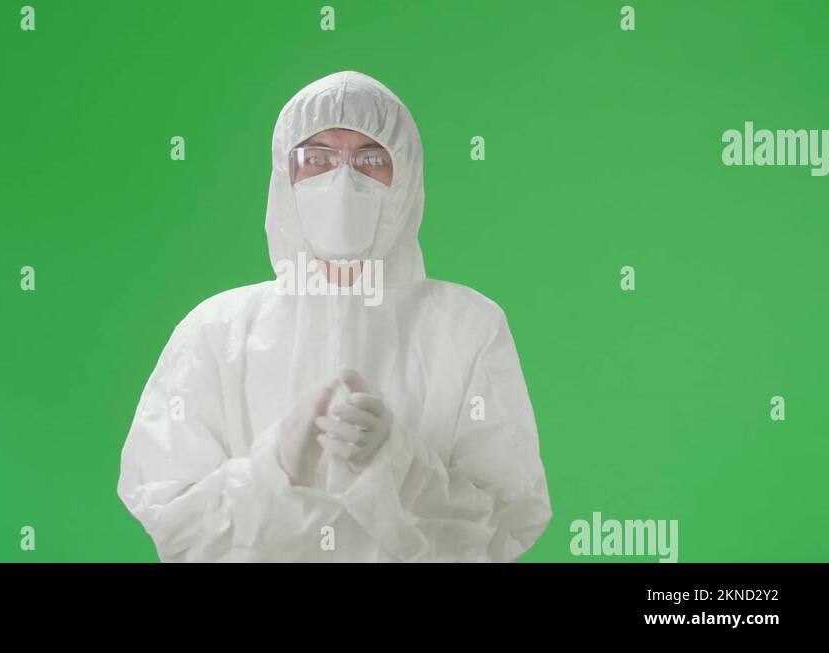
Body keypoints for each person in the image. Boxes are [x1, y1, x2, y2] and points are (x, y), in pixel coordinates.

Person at [117, 70, 552, 562]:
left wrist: (399, 463)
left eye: (370, 159)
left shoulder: (466, 327)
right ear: (286, 174)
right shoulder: (216, 332)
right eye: (317, 159)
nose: (342, 179)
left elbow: (504, 530)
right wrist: (274, 468)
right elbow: (178, 529)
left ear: (405, 176)